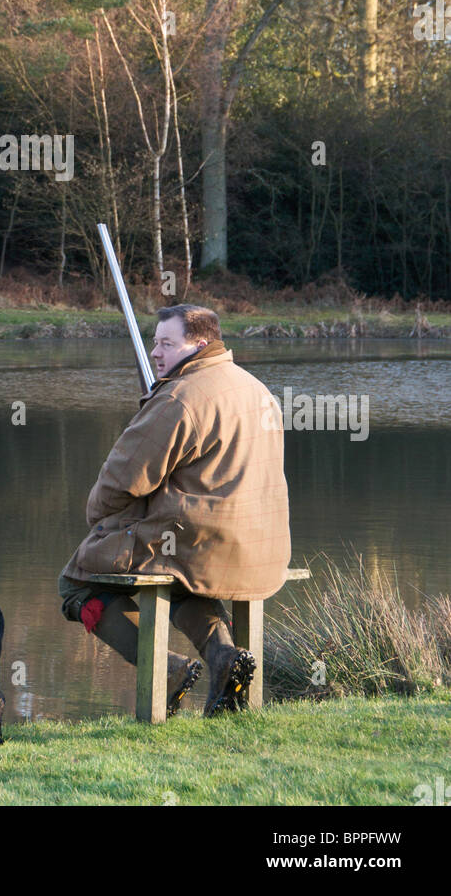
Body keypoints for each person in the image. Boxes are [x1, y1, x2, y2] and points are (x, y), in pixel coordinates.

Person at [59, 304, 290, 716]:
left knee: (75, 585)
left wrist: (99, 518)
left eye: (166, 343)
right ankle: (222, 658)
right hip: (261, 551)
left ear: (199, 344)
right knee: (181, 578)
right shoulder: (258, 390)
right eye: (153, 342)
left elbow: (122, 480)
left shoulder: (181, 398)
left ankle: (165, 668)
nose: (154, 352)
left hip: (203, 544)